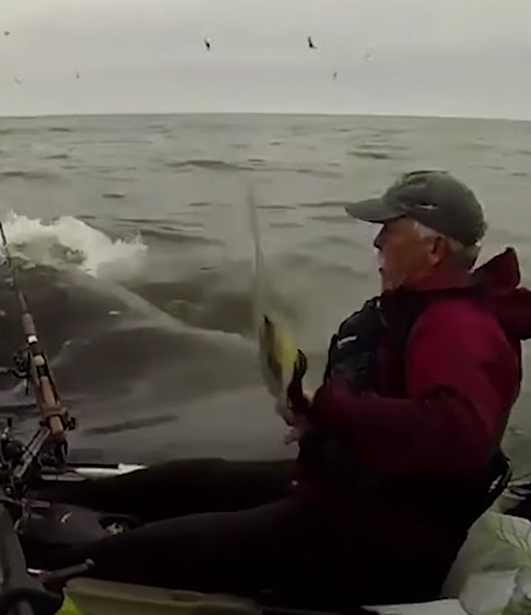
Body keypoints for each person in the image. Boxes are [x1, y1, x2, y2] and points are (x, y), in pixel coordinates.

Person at [38, 170, 531, 608]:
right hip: (352, 494)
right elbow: (402, 414)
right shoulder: (425, 310)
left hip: (377, 543)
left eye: (389, 230)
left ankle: (40, 572)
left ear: (435, 247)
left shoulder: (458, 327)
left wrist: (332, 406)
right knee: (197, 478)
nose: (376, 243)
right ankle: (50, 495)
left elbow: (454, 438)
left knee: (156, 548)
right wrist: (323, 419)